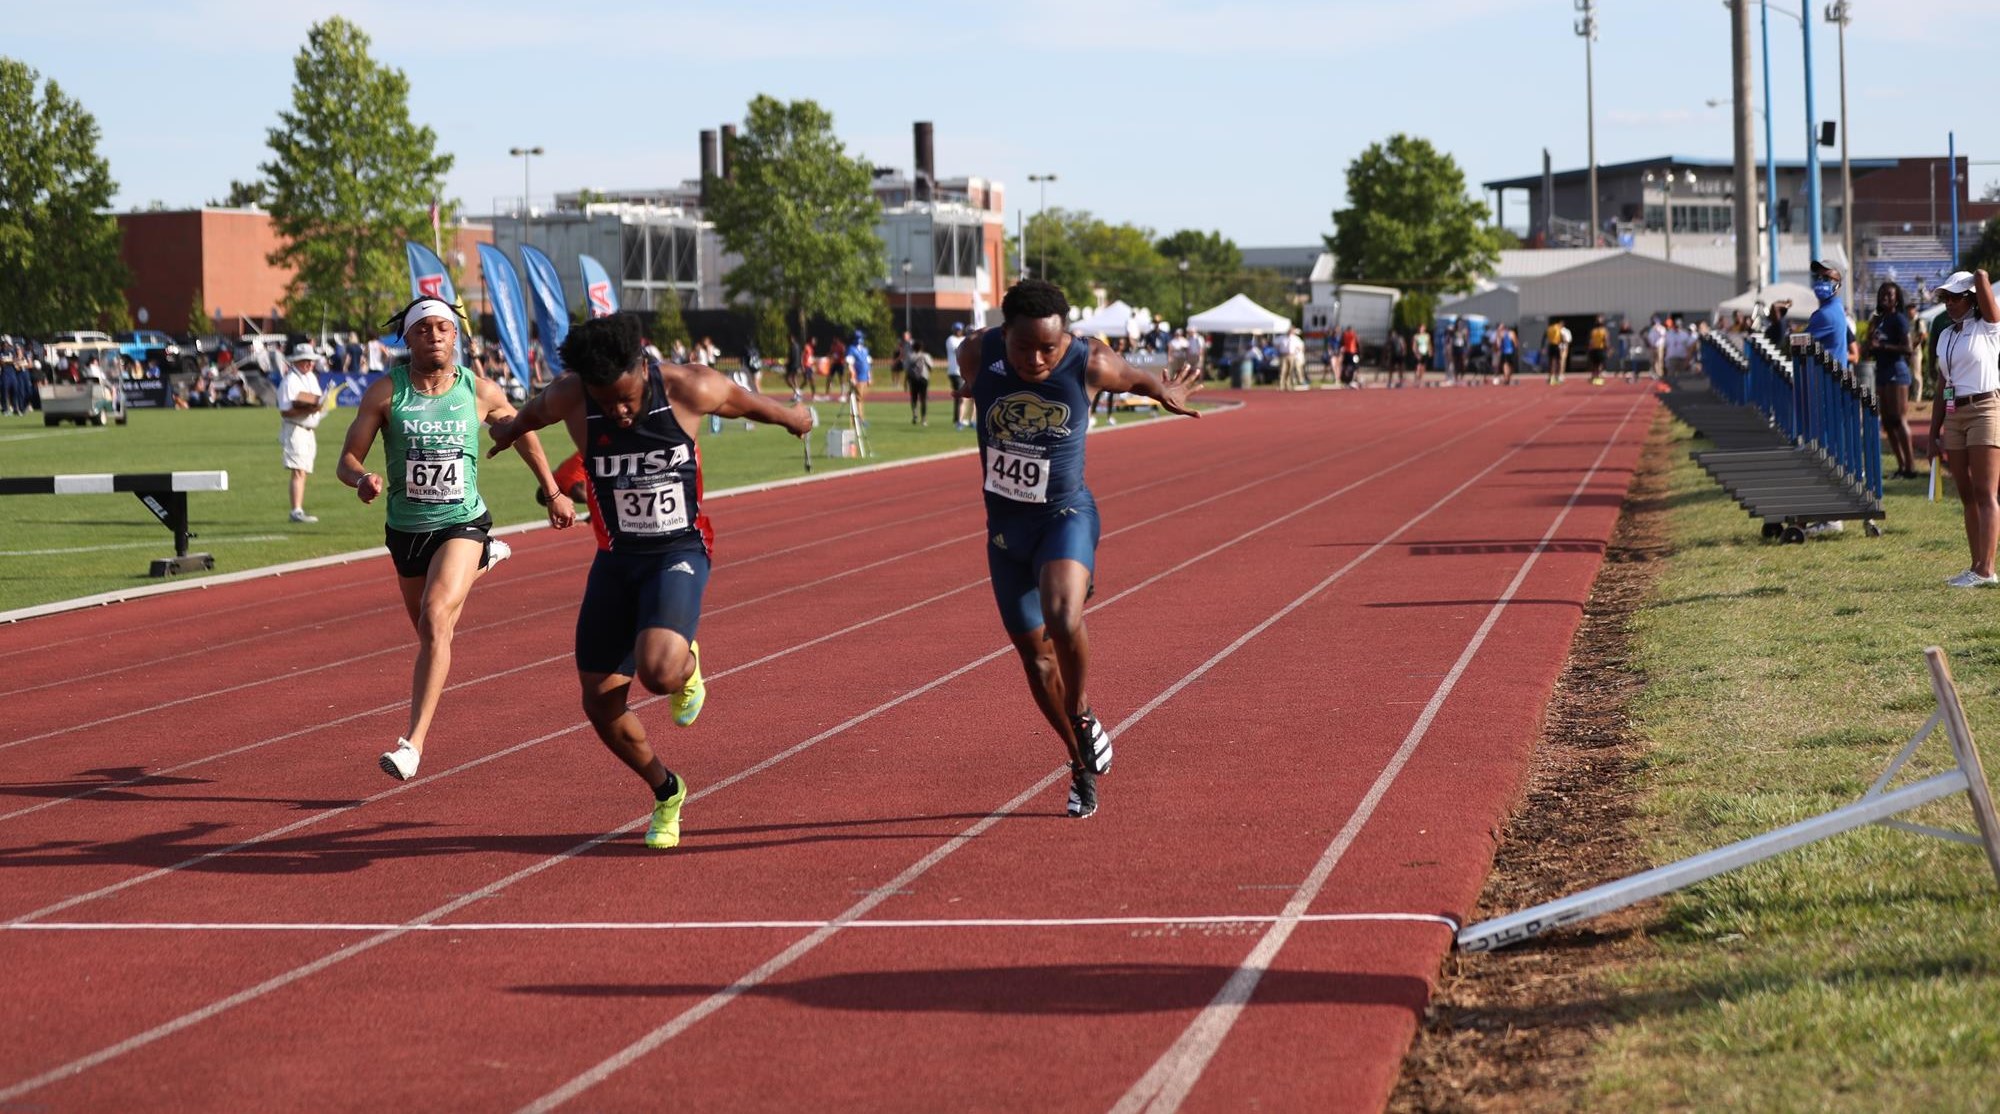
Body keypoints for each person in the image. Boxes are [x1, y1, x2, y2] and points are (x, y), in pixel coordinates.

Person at [485, 314, 814, 848]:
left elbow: (755, 406)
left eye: (626, 398)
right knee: (599, 702)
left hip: (677, 549)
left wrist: (795, 418)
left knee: (659, 673)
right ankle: (667, 791)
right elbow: (534, 413)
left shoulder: (689, 387)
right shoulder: (572, 396)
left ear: (644, 366)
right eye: (604, 399)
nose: (617, 410)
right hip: (615, 559)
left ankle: (685, 662)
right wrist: (507, 430)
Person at [952, 279, 1203, 819]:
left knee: (1063, 618)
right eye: (1024, 348)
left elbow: (1136, 377)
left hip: (1063, 514)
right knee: (1038, 663)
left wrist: (1164, 392)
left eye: (1049, 347)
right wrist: (975, 385)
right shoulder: (977, 349)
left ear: (1065, 337)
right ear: (1005, 333)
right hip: (1005, 531)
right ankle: (1078, 763)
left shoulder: (1091, 364)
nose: (1037, 359)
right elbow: (968, 367)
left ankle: (1083, 713)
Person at [335, 296, 576, 780]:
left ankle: (412, 745)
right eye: (424, 329)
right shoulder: (385, 393)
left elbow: (522, 429)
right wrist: (361, 480)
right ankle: (486, 558)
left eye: (444, 329)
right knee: (429, 632)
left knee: (435, 617)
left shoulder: (477, 390)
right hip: (406, 530)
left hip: (461, 519)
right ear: (408, 337)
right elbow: (347, 458)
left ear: (456, 336)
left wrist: (551, 490)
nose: (436, 337)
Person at [1927, 270, 2000, 587]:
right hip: (1955, 414)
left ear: (1971, 298)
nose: (1949, 303)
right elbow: (1943, 385)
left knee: (1986, 493)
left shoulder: (1989, 328)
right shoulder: (1946, 335)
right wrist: (1933, 432)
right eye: (1946, 297)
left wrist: (1977, 277)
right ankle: (1974, 566)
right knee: (1966, 494)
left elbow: (1984, 281)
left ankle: (1987, 570)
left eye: (1956, 297)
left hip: (1985, 409)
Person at [1866, 281, 1919, 480]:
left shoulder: (1899, 319)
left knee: (1898, 419)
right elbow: (1870, 348)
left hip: (1897, 372)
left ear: (1897, 299)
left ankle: (1911, 467)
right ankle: (1901, 466)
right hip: (1881, 372)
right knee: (1887, 422)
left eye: (1890, 295)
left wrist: (1883, 346)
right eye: (1882, 294)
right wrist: (1871, 345)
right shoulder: (1879, 320)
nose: (1885, 298)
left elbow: (1907, 349)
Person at [280, 344, 329, 524]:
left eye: (311, 361)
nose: (310, 364)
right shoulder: (289, 381)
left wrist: (320, 405)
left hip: (309, 430)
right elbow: (285, 411)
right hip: (295, 428)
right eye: (306, 361)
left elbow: (316, 400)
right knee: (298, 470)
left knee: (303, 470)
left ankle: (298, 508)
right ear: (297, 361)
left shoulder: (310, 378)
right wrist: (307, 410)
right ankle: (296, 510)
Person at [1807, 261, 1852, 370]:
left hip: (1826, 383)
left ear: (1838, 285)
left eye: (1826, 278)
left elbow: (1798, 345)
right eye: (1818, 277)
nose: (1820, 281)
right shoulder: (1836, 309)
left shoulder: (1826, 314)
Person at [946, 322, 971, 428]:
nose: (958, 331)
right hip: (955, 371)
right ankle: (958, 420)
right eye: (957, 329)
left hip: (964, 371)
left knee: (966, 397)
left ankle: (963, 419)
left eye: (960, 329)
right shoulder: (951, 339)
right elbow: (958, 350)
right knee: (960, 396)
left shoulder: (964, 339)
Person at [847, 329, 872, 425]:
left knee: (860, 399)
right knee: (858, 398)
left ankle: (860, 418)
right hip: (858, 378)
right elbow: (850, 364)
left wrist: (869, 377)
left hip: (864, 377)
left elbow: (868, 364)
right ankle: (858, 419)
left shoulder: (865, 350)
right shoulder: (851, 349)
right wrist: (853, 376)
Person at [907, 339, 932, 425]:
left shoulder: (910, 356)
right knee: (923, 399)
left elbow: (907, 369)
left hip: (913, 379)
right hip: (923, 378)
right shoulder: (925, 356)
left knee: (914, 398)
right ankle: (924, 419)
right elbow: (930, 367)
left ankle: (915, 415)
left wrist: (906, 380)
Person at [1587, 315, 1610, 386]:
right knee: (1600, 364)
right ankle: (1599, 378)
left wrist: (1589, 349)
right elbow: (1606, 340)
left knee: (1594, 364)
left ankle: (1594, 377)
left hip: (1594, 349)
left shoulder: (1593, 331)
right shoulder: (1604, 331)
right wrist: (1608, 348)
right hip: (1600, 349)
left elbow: (1591, 342)